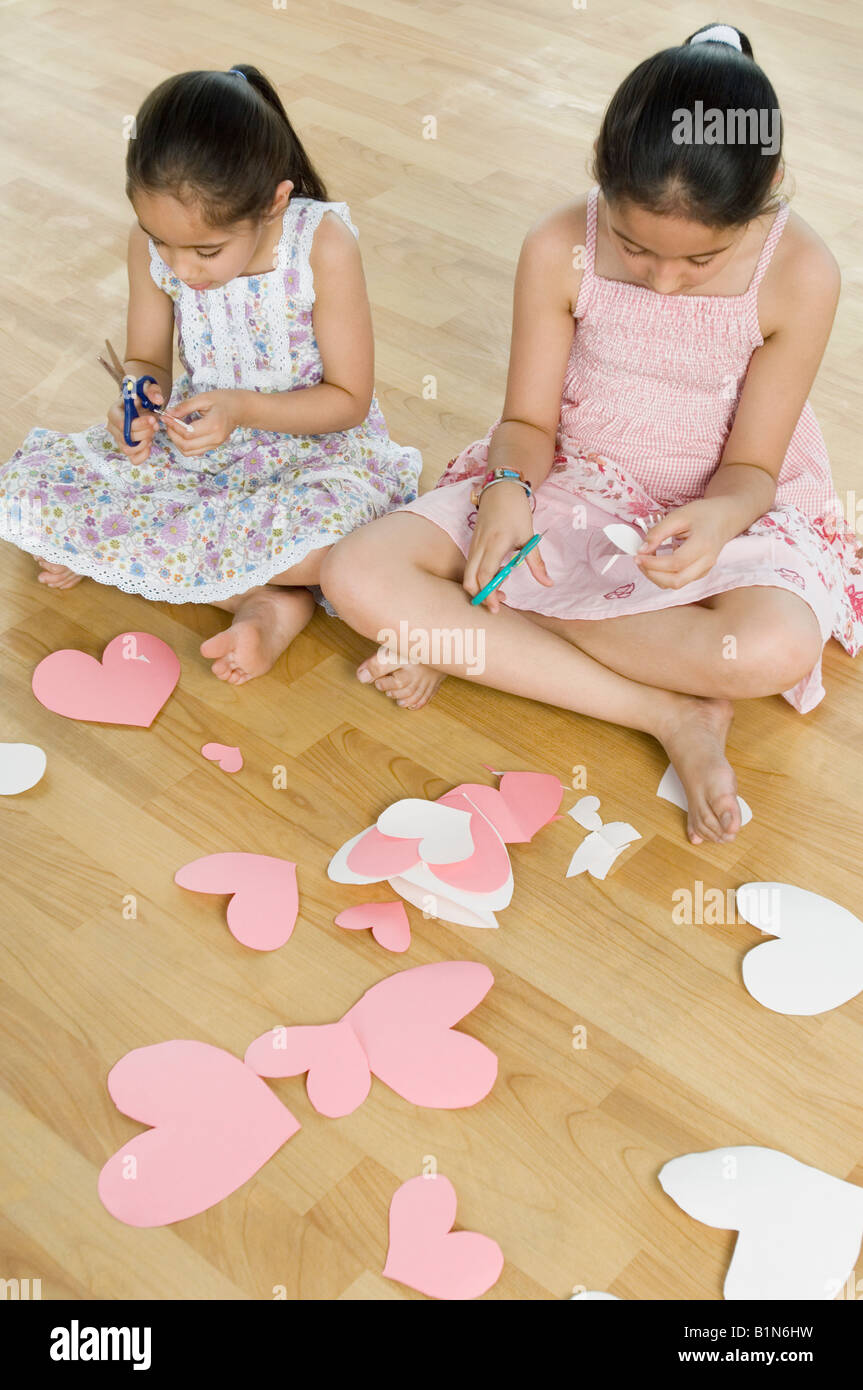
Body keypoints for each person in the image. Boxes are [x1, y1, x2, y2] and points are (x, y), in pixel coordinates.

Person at [322, 23, 861, 844]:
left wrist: (715, 521)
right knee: (358, 573)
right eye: (635, 247)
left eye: (700, 261)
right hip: (575, 479)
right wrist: (507, 491)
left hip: (721, 499)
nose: (664, 282)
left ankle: (475, 629)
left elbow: (752, 466)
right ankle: (664, 712)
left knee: (772, 650)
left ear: (770, 192)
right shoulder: (556, 245)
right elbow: (529, 422)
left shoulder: (800, 273)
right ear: (599, 182)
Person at [0, 65, 420, 684]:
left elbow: (348, 400)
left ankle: (217, 576)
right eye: (159, 242)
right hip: (200, 445)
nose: (180, 268)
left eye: (205, 252)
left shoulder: (321, 244)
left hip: (316, 447)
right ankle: (270, 598)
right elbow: (145, 359)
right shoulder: (156, 247)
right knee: (36, 494)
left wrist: (245, 410)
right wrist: (135, 402)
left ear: (273, 201)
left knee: (341, 551)